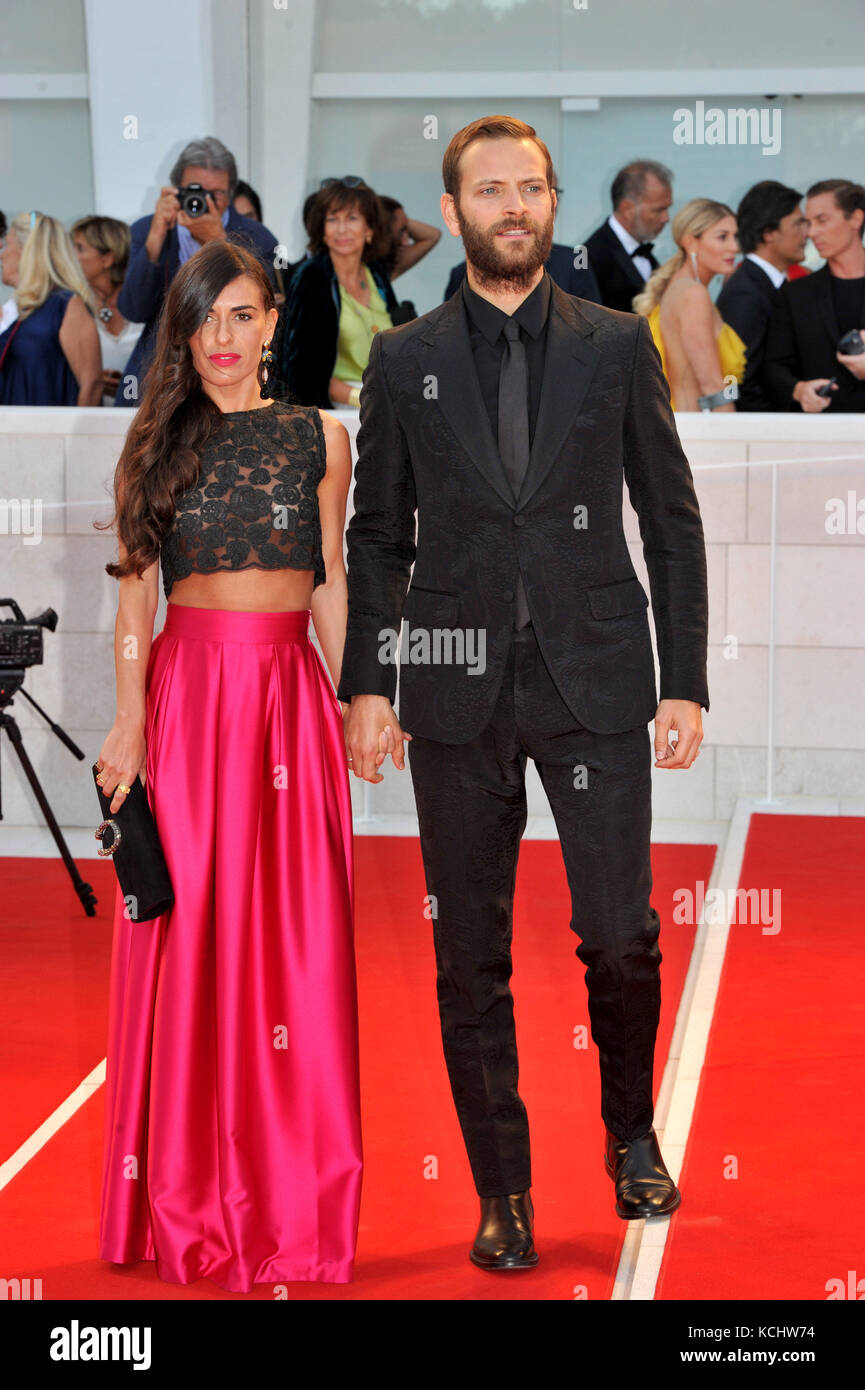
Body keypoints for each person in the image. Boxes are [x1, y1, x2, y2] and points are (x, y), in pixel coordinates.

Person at [339, 115, 709, 1270]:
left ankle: (629, 1131)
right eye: (490, 189)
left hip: (594, 678)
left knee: (618, 935)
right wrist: (369, 684)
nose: (513, 205)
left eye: (531, 187)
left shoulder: (616, 344)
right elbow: (377, 534)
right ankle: (501, 1191)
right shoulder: (402, 358)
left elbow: (670, 518)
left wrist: (686, 681)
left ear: (551, 203)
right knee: (470, 958)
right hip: (452, 689)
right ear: (452, 210)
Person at [94, 238, 361, 1292]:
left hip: (290, 707)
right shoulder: (153, 443)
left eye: (242, 315)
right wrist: (127, 723)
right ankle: (190, 1201)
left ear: (272, 322)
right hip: (190, 706)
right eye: (204, 319)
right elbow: (133, 604)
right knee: (194, 946)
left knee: (297, 950)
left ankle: (295, 1204)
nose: (222, 337)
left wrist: (360, 699)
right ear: (183, 331)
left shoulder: (321, 436)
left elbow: (330, 579)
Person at [114, 136, 279, 406]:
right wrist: (155, 238)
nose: (204, 200)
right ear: (177, 189)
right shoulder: (147, 229)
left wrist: (219, 242)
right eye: (196, 190)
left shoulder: (259, 238)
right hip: (158, 380)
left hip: (231, 380)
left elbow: (264, 313)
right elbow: (134, 310)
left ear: (230, 194)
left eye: (217, 194)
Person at [269, 178, 400, 409]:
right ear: (322, 230)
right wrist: (362, 398)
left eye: (352, 218)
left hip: (384, 404)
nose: (341, 229)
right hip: (335, 411)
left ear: (369, 228)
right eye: (332, 219)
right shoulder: (312, 277)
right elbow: (302, 371)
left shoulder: (376, 274)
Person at [764, 179, 865, 413]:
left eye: (822, 220)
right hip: (822, 429)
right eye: (808, 223)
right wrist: (798, 390)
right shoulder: (795, 294)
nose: (811, 233)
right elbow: (773, 367)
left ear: (856, 219)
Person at [633, 198, 744, 412]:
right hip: (693, 426)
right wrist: (732, 429)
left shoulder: (678, 288)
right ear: (691, 243)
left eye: (735, 236)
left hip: (679, 421)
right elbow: (712, 386)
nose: (735, 247)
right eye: (722, 237)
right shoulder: (693, 294)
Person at [443, 169, 601, 304]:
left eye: (534, 189)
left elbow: (591, 323)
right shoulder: (463, 274)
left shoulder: (575, 261)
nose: (518, 207)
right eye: (491, 191)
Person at [716, 182, 808, 411]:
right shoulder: (745, 294)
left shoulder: (771, 285)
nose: (807, 233)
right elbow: (735, 379)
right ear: (769, 233)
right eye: (798, 224)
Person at [0, 211, 102, 406]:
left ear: (26, 251)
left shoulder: (67, 305)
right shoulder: (15, 310)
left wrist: (80, 427)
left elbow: (92, 384)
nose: (2, 255)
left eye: (7, 245)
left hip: (50, 423)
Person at [72, 216, 145, 406]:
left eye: (79, 248)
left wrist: (129, 388)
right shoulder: (72, 307)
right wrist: (90, 381)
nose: (72, 257)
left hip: (140, 416)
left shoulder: (146, 306)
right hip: (86, 416)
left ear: (107, 259)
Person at [584, 160, 673, 312]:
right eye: (659, 210)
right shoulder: (589, 257)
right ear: (627, 209)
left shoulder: (646, 254)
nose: (666, 218)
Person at [378, 194, 442, 278]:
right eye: (401, 231)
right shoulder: (365, 271)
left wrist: (401, 220)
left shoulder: (382, 271)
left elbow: (433, 235)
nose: (407, 243)